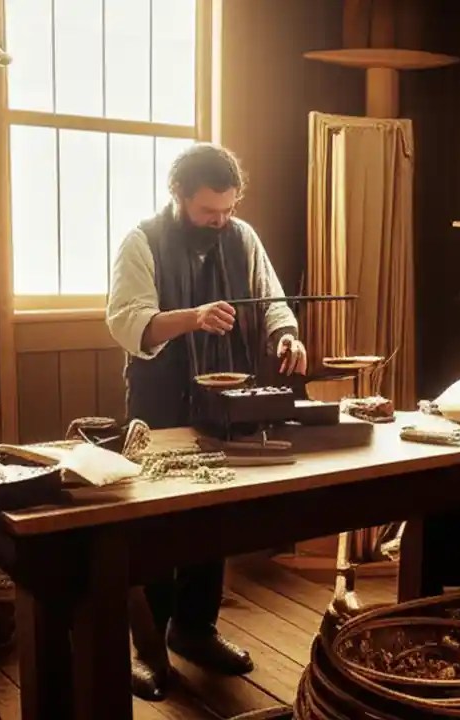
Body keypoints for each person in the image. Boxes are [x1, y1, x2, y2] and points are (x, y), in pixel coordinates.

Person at [105, 143, 308, 700]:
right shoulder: (141, 241)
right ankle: (147, 649)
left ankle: (195, 629)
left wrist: (284, 335)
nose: (220, 222)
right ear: (178, 197)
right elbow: (128, 325)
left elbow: (271, 301)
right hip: (161, 400)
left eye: (227, 210)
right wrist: (193, 318)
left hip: (225, 400)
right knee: (155, 524)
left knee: (212, 516)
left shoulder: (241, 236)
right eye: (207, 213)